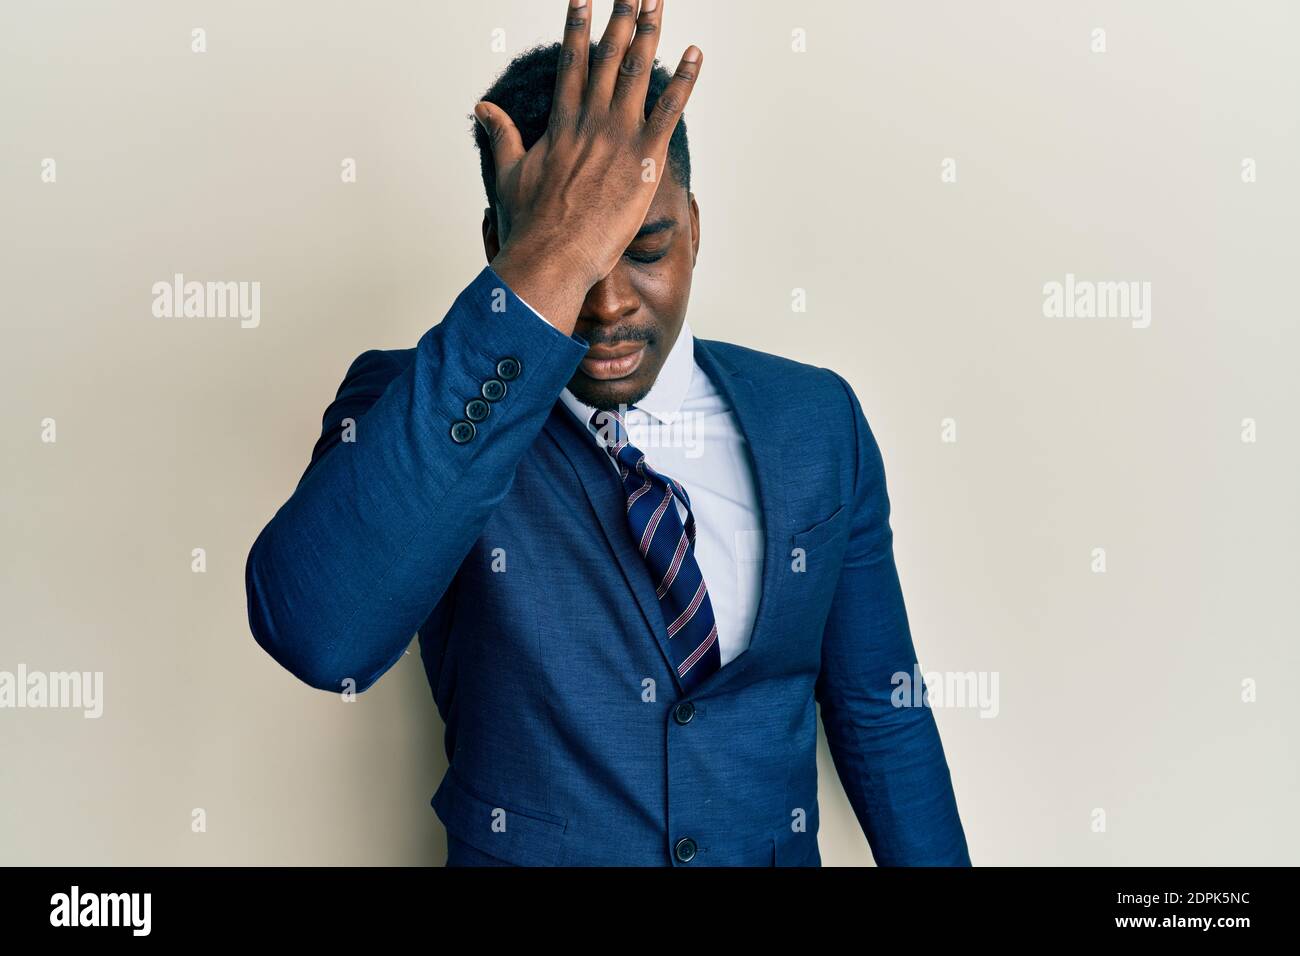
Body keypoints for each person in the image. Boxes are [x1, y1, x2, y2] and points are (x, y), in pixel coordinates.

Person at [244, 0, 971, 867]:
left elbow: (879, 714)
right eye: (579, 255)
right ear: (499, 248)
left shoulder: (816, 421)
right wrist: (544, 265)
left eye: (645, 246)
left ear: (695, 229)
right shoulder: (415, 406)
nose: (610, 301)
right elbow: (323, 638)